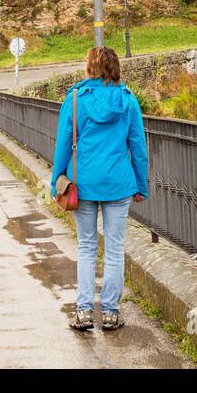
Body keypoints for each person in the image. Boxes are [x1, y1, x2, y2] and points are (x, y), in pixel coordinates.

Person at [51, 45, 149, 332]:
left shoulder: (76, 100)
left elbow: (62, 145)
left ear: (91, 68)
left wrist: (56, 179)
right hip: (118, 184)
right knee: (115, 248)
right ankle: (109, 312)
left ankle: (83, 311)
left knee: (86, 246)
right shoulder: (128, 101)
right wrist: (140, 185)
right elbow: (138, 148)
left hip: (83, 185)